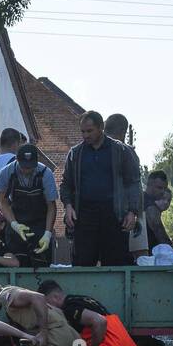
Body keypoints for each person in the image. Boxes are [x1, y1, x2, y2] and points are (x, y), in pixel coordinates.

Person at [60, 111, 142, 267]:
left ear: (101, 127)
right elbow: (65, 184)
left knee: (116, 263)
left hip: (114, 216)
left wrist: (132, 212)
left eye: (89, 131)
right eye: (83, 131)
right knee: (82, 264)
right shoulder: (75, 154)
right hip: (84, 217)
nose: (85, 135)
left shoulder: (121, 151)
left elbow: (133, 183)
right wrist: (68, 206)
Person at [37, 280, 146, 346]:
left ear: (55, 297)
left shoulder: (69, 307)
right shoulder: (83, 300)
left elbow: (100, 321)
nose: (47, 310)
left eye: (47, 305)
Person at [0, 143, 57, 266]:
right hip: (17, 223)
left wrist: (47, 234)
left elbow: (51, 206)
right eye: (24, 167)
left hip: (40, 224)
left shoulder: (45, 173)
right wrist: (14, 224)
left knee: (42, 262)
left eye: (31, 167)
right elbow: (3, 202)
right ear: (17, 160)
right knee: (17, 263)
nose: (27, 170)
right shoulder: (6, 173)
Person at [143, 171, 173, 251]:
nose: (162, 191)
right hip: (147, 256)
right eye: (159, 188)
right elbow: (160, 233)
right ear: (149, 184)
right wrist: (172, 249)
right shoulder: (150, 206)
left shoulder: (141, 200)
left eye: (164, 188)